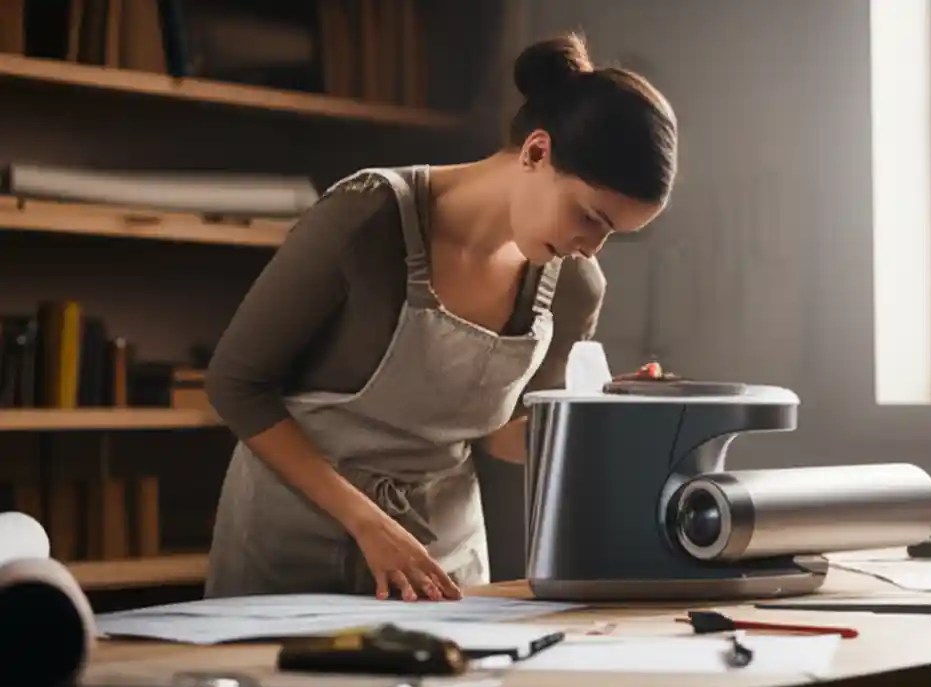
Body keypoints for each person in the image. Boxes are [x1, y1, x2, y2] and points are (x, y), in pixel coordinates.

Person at [202, 32, 677, 603]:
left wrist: (604, 421)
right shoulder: (366, 219)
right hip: (295, 537)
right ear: (535, 152)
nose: (592, 246)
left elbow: (502, 437)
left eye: (612, 234)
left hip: (438, 554)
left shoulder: (573, 287)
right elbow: (235, 382)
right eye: (590, 217)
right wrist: (369, 523)